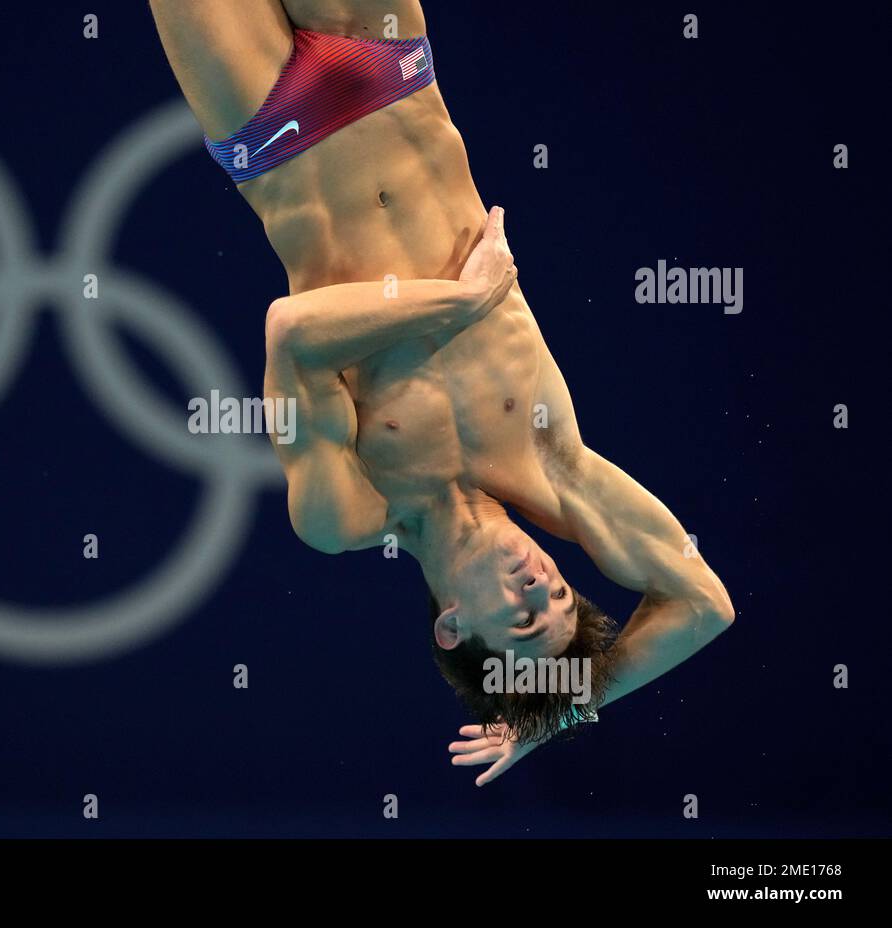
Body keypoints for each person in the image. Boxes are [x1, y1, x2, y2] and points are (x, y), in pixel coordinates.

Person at [150, 0, 734, 785]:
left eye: (525, 621)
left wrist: (464, 301)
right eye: (561, 592)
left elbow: (291, 331)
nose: (538, 584)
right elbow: (704, 607)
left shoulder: (347, 514)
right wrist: (560, 712)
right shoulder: (553, 467)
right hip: (387, 68)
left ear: (454, 626)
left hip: (269, 125)